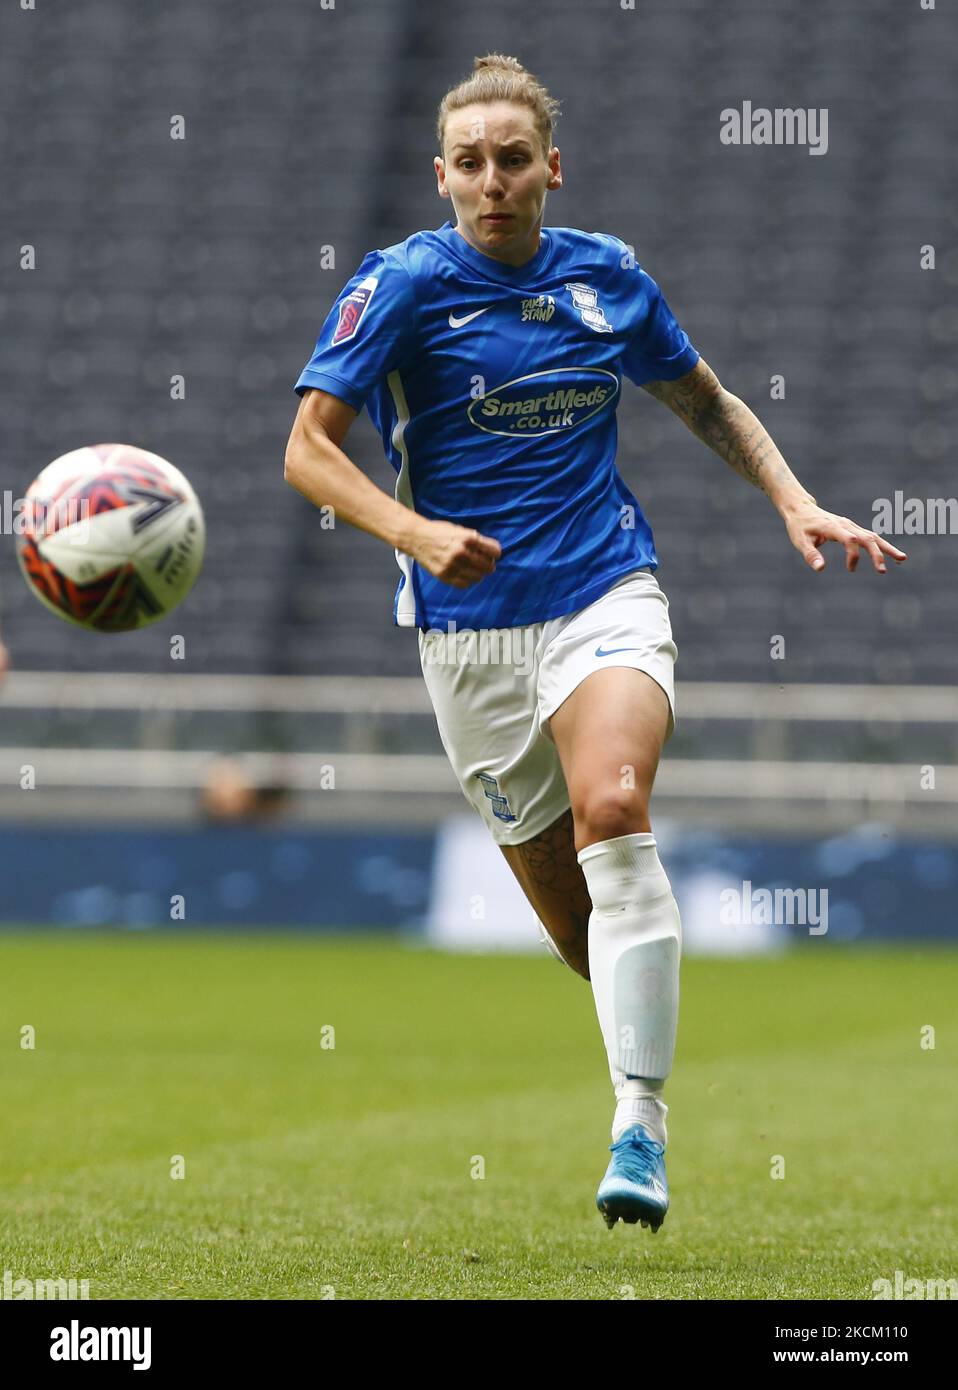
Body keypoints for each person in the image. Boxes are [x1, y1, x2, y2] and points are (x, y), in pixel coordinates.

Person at [284, 54, 907, 1232]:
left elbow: (707, 400)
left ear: (550, 167)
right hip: (468, 638)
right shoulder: (402, 284)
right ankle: (635, 1046)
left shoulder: (606, 277)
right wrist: (413, 530)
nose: (491, 181)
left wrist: (792, 497)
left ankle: (639, 1123)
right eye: (468, 163)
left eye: (512, 159)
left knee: (614, 810)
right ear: (442, 176)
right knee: (580, 932)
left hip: (601, 591)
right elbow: (308, 449)